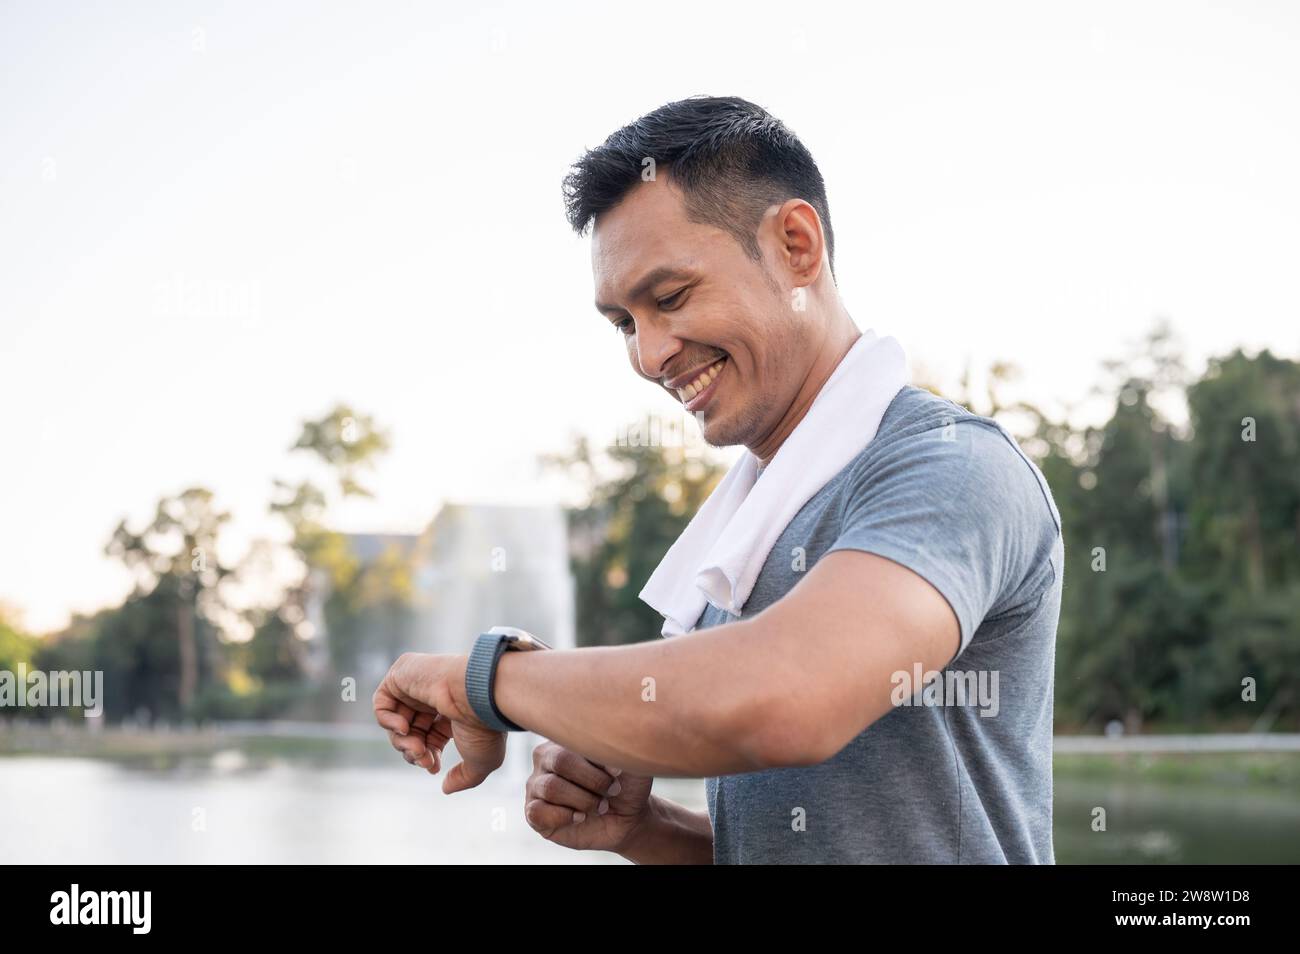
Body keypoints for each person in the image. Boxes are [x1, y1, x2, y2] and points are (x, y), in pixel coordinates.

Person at [373, 96, 1063, 864]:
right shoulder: (749, 519)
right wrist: (649, 832)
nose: (649, 355)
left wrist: (485, 681)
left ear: (796, 246)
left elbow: (788, 698)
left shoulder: (948, 466)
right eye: (625, 323)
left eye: (669, 298)